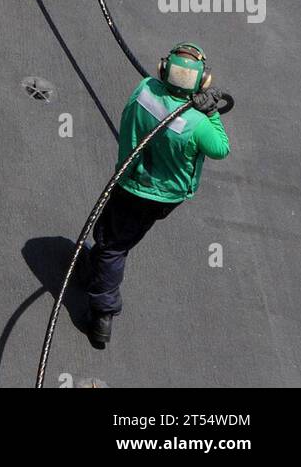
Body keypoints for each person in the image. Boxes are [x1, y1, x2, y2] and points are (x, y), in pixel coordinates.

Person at [85, 44, 230, 346]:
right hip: (163, 198)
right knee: (113, 237)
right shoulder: (199, 124)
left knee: (113, 245)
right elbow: (220, 149)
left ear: (164, 70)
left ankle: (102, 312)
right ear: (202, 82)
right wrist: (210, 112)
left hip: (130, 183)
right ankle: (98, 272)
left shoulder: (145, 90)